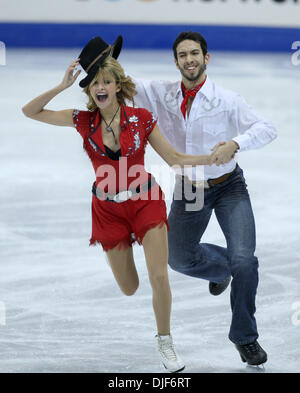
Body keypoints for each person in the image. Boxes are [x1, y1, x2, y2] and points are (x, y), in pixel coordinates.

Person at [22, 36, 219, 373]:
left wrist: (212, 157)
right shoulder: (82, 121)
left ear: (117, 86)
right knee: (130, 288)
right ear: (89, 90)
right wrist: (60, 85)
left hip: (146, 202)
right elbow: (30, 111)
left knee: (159, 275)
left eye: (107, 81)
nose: (101, 87)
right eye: (95, 83)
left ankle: (165, 341)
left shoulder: (141, 118)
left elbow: (173, 158)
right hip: (108, 211)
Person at [133, 31, 277, 366]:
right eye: (183, 55)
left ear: (206, 57)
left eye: (195, 53)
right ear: (176, 62)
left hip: (229, 186)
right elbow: (122, 81)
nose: (190, 60)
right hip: (189, 188)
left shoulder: (226, 99)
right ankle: (219, 271)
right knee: (178, 258)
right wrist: (89, 65)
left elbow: (267, 127)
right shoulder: (161, 93)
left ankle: (245, 337)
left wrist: (236, 143)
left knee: (245, 261)